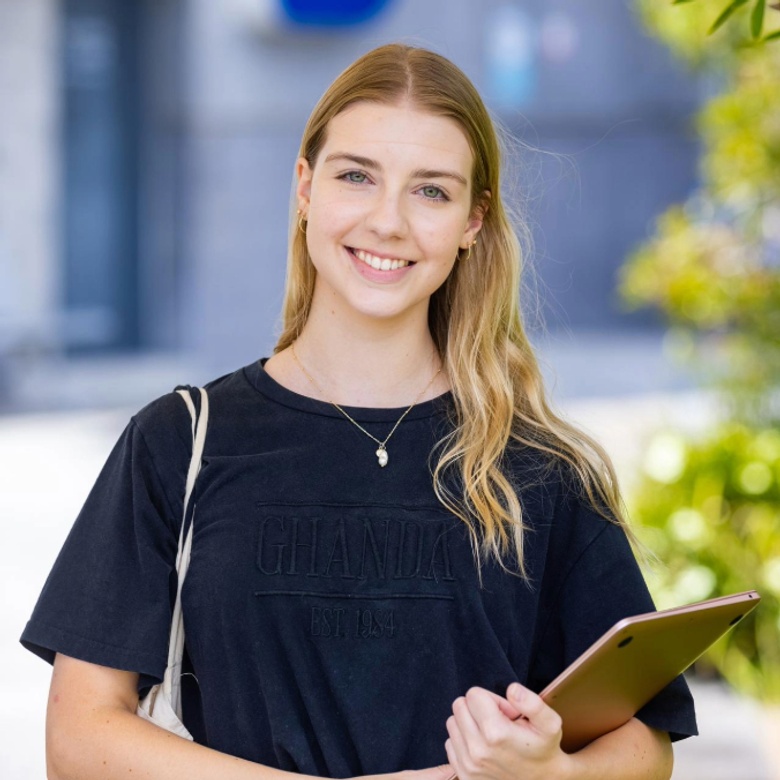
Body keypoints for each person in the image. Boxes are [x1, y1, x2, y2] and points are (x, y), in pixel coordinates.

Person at [22, 43, 696, 780]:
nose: (388, 221)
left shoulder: (541, 468)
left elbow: (646, 744)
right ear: (305, 187)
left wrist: (554, 775)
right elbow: (79, 740)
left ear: (473, 223)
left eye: (431, 192)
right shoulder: (179, 442)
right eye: (356, 177)